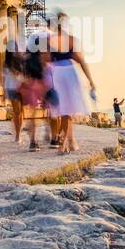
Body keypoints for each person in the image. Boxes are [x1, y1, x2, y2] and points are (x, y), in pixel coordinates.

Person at [46, 11, 97, 154]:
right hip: (69, 73)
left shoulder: (49, 41)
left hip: (56, 73)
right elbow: (81, 61)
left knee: (64, 110)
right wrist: (90, 80)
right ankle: (67, 141)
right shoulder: (71, 40)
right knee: (68, 110)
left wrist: (47, 81)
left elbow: (45, 61)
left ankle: (68, 141)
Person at [3, 38, 26, 144]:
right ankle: (17, 136)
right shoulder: (7, 62)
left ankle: (19, 134)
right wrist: (3, 92)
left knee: (21, 112)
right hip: (12, 88)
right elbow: (6, 76)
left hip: (21, 87)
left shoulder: (20, 60)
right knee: (17, 112)